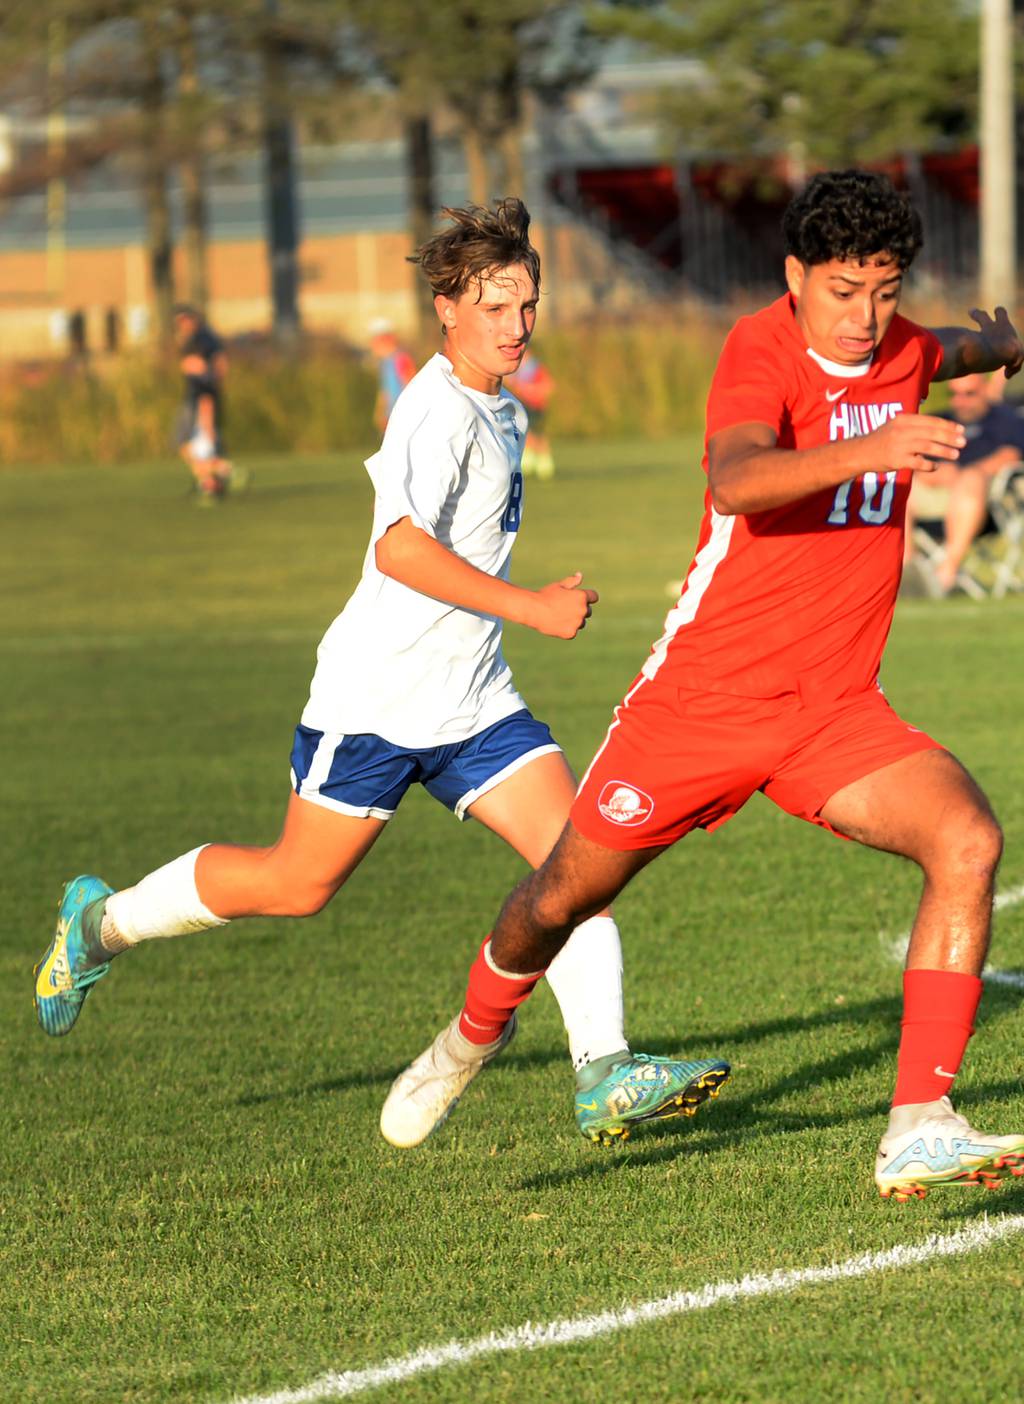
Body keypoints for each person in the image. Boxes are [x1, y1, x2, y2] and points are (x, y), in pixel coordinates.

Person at [383, 170, 1024, 1201]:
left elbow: (938, 348)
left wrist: (997, 345)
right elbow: (736, 476)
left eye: (883, 288)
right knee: (560, 895)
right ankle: (464, 1045)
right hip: (701, 702)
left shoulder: (901, 344)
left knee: (967, 838)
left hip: (831, 712)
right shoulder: (758, 349)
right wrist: (873, 443)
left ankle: (918, 1122)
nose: (865, 316)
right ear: (793, 277)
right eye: (840, 291)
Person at [35, 199, 731, 1146]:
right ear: (446, 307)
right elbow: (400, 550)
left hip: (475, 701)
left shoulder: (502, 409)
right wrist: (529, 605)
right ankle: (102, 924)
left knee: (576, 866)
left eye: (527, 305)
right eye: (495, 307)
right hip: (375, 703)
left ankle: (601, 1066)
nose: (517, 325)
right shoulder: (434, 409)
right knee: (296, 884)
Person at [904, 371, 1024, 596]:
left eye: (969, 393)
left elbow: (1011, 455)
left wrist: (966, 474)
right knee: (897, 486)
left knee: (971, 479)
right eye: (955, 394)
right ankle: (907, 569)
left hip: (987, 504)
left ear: (985, 390)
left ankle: (946, 572)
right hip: (934, 497)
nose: (960, 400)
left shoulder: (1008, 419)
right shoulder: (938, 421)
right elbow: (912, 459)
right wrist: (935, 472)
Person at [174, 305, 240, 503]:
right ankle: (211, 482)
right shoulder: (204, 337)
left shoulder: (202, 341)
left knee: (192, 445)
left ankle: (225, 472)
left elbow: (217, 365)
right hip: (198, 398)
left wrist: (208, 402)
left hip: (201, 400)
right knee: (196, 446)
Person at [505, 353, 556, 480]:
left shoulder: (535, 368)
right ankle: (531, 463)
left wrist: (533, 390)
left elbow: (549, 386)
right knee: (527, 434)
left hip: (536, 406)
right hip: (524, 406)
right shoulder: (517, 368)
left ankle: (544, 464)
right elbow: (511, 382)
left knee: (538, 436)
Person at [370, 319, 416, 432]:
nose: (372, 346)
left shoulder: (401, 359)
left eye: (375, 342)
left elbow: (411, 387)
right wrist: (381, 413)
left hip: (403, 416)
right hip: (391, 416)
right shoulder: (384, 363)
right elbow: (385, 391)